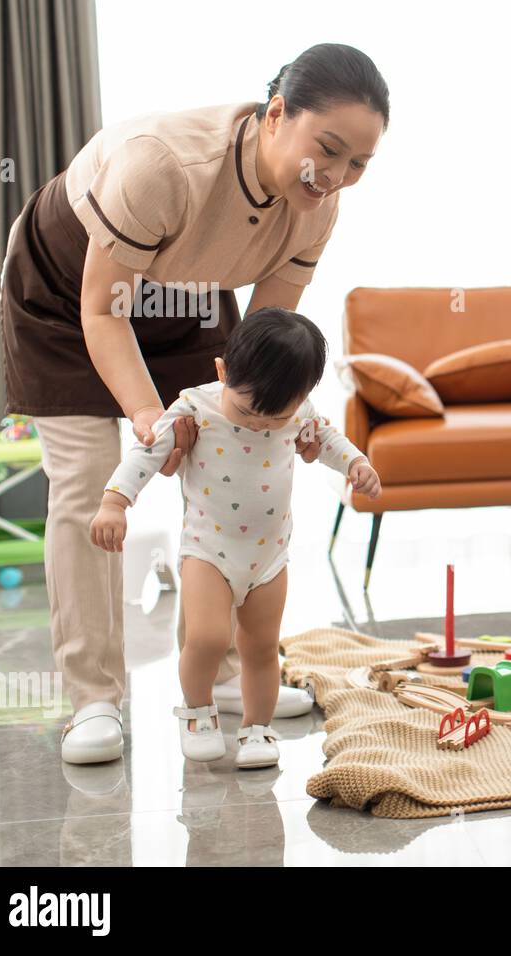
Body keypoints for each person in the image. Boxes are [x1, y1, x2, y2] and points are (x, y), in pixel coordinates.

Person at [0, 43, 388, 763]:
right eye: (327, 150)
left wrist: (288, 421)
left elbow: (270, 343)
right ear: (277, 115)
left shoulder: (315, 209)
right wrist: (152, 419)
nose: (335, 178)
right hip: (69, 299)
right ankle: (93, 701)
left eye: (357, 165)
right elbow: (103, 311)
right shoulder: (163, 166)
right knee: (89, 482)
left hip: (186, 296)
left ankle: (232, 673)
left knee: (224, 452)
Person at [89, 309, 381, 768]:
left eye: (275, 417)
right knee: (206, 637)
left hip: (269, 557)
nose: (261, 425)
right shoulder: (195, 408)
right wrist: (114, 502)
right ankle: (197, 713)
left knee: (262, 648)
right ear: (223, 372)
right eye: (246, 411)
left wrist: (357, 465)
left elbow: (330, 441)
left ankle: (257, 730)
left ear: (303, 396)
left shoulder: (298, 413)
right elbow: (146, 455)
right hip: (208, 551)